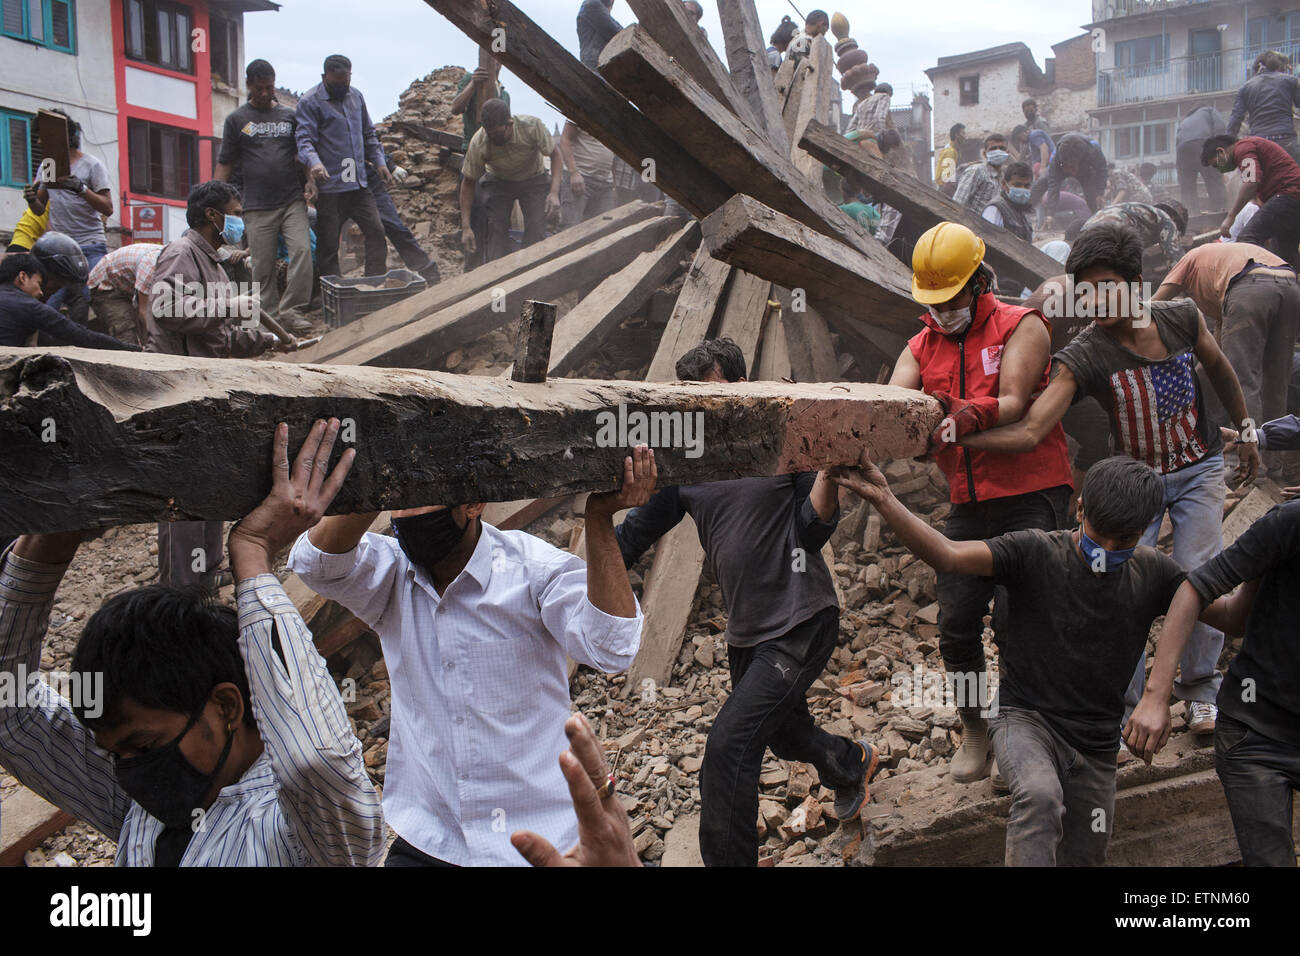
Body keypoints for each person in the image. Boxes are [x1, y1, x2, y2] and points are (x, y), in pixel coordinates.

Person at [0, 419, 385, 866]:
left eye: (143, 747)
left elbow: (316, 762)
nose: (130, 773)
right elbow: (12, 712)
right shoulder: (142, 813)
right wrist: (55, 530)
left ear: (226, 707)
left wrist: (253, 550)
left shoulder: (307, 833)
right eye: (117, 754)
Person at [831, 454, 1227, 865]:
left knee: (1086, 852)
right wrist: (884, 498)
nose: (1106, 551)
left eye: (1123, 541)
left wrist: (1262, 554)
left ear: (1145, 531)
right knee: (1039, 797)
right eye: (1101, 534)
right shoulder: (1034, 551)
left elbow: (1222, 611)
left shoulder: (1153, 572)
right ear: (1079, 509)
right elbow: (947, 554)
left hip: (1096, 744)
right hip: (1024, 719)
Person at [962, 223, 1262, 739]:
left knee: (1199, 572)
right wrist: (959, 440)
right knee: (1114, 584)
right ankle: (1120, 705)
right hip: (1135, 483)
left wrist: (1248, 427)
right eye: (1086, 291)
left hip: (1200, 468)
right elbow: (1034, 427)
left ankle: (1199, 688)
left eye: (1105, 287)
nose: (1095, 300)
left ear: (1136, 284)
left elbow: (1220, 368)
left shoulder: (1182, 319)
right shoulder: (1086, 353)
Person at [287, 445, 653, 867]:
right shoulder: (391, 578)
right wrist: (376, 478)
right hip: (431, 840)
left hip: (537, 842)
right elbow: (314, 564)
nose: (406, 515)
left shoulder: (532, 571)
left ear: (474, 502)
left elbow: (612, 646)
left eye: (422, 496)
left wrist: (599, 519)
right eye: (398, 502)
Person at [613, 338, 880, 867]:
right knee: (783, 732)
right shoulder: (688, 465)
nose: (702, 410)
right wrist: (584, 547)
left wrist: (827, 474)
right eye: (690, 399)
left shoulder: (784, 443)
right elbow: (633, 537)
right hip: (748, 633)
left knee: (729, 748)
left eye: (710, 395)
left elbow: (810, 529)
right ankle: (852, 762)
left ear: (741, 386)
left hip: (802, 618)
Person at [893, 223, 1074, 787]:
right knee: (957, 623)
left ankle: (1028, 732)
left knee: (1024, 621)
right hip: (969, 500)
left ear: (977, 282)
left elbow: (1016, 403)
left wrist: (957, 419)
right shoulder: (921, 343)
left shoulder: (1022, 324)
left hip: (1032, 491)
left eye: (950, 299)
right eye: (933, 302)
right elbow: (897, 401)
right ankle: (975, 726)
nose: (942, 311)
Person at [1127, 499, 1300, 865]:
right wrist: (1156, 697)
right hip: (1258, 737)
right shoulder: (1289, 523)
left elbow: (1237, 617)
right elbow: (1197, 589)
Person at [146, 180, 297, 593]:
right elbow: (164, 308)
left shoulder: (216, 264)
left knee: (205, 489)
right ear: (213, 216)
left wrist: (271, 341)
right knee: (187, 494)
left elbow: (223, 337)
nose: (239, 219)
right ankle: (183, 594)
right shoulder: (180, 253)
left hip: (206, 388)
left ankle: (201, 578)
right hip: (176, 389)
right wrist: (230, 306)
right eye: (235, 210)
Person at [1152, 242, 1299, 471]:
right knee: (1276, 382)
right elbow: (1216, 360)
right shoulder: (1220, 268)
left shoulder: (1188, 260)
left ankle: (1248, 464)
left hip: (1249, 286)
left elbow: (1154, 307)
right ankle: (1273, 464)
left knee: (1242, 381)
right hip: (1289, 284)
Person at [216, 59, 314, 335]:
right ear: (248, 85)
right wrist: (214, 197)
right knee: (262, 265)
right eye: (259, 88)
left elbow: (303, 151)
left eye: (269, 87)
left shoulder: (289, 117)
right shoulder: (236, 120)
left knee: (302, 251)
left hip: (291, 199)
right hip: (256, 205)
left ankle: (292, 310)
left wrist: (309, 179)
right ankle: (267, 319)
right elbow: (225, 161)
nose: (264, 93)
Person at [296, 54, 390, 279]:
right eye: (336, 83)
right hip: (331, 188)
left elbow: (368, 134)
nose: (342, 87)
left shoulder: (356, 97)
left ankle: (374, 283)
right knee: (328, 245)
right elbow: (304, 140)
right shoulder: (310, 102)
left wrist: (380, 163)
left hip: (357, 185)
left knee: (376, 232)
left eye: (345, 81)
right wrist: (315, 163)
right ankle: (331, 292)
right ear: (324, 77)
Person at [23, 111, 113, 325]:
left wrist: (81, 189)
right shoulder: (48, 166)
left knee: (85, 303)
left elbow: (108, 208)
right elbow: (39, 208)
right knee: (47, 304)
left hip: (89, 246)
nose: (38, 141)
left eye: (42, 136)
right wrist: (31, 199)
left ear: (60, 135)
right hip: (59, 250)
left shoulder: (92, 165)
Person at [459, 99, 562, 264]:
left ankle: (533, 270)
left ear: (510, 123)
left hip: (533, 179)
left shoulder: (531, 127)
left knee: (536, 226)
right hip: (499, 182)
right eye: (489, 134)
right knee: (496, 228)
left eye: (498, 134)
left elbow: (555, 155)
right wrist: (466, 227)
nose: (493, 139)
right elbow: (468, 183)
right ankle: (498, 274)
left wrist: (554, 193)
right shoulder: (479, 142)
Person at [0, 237, 137, 351]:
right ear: (23, 277)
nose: (41, 292)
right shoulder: (28, 305)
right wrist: (132, 349)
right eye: (39, 283)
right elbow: (79, 335)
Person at [1204, 134, 1300, 269]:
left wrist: (1231, 217)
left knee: (1247, 239)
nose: (1218, 170)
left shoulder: (1243, 148)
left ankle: (1252, 281)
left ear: (1221, 151)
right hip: (1292, 199)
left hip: (1288, 194)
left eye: (1215, 165)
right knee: (1283, 254)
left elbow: (1251, 183)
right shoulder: (1250, 147)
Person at [451, 50, 509, 270]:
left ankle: (495, 269)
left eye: (499, 60)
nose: (496, 64)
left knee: (496, 218)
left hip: (495, 162)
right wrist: (473, 85)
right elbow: (456, 108)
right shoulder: (471, 80)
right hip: (473, 157)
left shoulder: (503, 93)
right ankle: (472, 269)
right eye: (492, 58)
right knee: (475, 214)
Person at [366, 158, 442, 284]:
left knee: (395, 227)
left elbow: (370, 144)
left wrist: (389, 164)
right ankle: (326, 286)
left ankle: (428, 271)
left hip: (368, 181)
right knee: (330, 237)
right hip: (335, 184)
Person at [1227, 51, 1300, 164]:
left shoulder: (1245, 88)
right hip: (1286, 141)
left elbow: (1235, 119)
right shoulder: (1290, 81)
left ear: (1255, 70)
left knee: (1262, 179)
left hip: (1260, 143)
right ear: (1277, 66)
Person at [86, 242, 163, 346]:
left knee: (144, 334)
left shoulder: (178, 263)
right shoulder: (150, 266)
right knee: (126, 335)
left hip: (128, 284)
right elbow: (144, 311)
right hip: (107, 285)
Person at [1078, 200, 1187, 271]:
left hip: (1086, 231)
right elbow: (1179, 262)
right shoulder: (1167, 220)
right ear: (1175, 218)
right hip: (1113, 233)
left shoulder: (1145, 213)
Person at [558, 120, 616, 227]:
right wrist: (574, 173)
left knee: (607, 228)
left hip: (605, 183)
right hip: (581, 178)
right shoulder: (582, 110)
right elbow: (565, 139)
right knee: (571, 228)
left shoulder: (613, 117)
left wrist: (613, 184)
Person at [1176, 104, 1229, 216]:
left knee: (1188, 186)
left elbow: (1178, 144)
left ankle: (1191, 214)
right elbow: (1220, 128)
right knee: (1214, 180)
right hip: (1203, 144)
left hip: (1183, 150)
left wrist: (1180, 173)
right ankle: (1220, 211)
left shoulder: (1184, 121)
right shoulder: (1210, 110)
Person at [1044, 132, 1109, 214]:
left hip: (1086, 170)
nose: (1073, 169)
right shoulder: (1056, 158)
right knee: (1043, 183)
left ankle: (1095, 215)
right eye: (1069, 164)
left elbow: (1102, 169)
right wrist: (1050, 213)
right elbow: (1053, 185)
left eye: (1073, 163)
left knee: (1093, 198)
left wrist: (1100, 192)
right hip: (1061, 168)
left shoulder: (1093, 150)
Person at [953, 132, 1012, 214]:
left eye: (1001, 148)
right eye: (993, 149)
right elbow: (957, 204)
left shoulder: (1002, 178)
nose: (997, 152)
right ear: (984, 154)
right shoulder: (976, 171)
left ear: (1007, 153)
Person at [982, 161, 1035, 243]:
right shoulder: (995, 209)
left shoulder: (1022, 210)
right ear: (1004, 184)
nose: (1022, 189)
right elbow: (989, 242)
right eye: (1017, 185)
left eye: (1026, 186)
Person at [577, 0, 621, 69]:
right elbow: (615, 31)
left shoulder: (595, 7)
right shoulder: (592, 4)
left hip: (600, 62)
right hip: (595, 63)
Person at [935, 123, 965, 196]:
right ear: (957, 135)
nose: (965, 137)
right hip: (946, 191)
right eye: (963, 133)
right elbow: (947, 179)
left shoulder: (955, 150)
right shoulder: (950, 152)